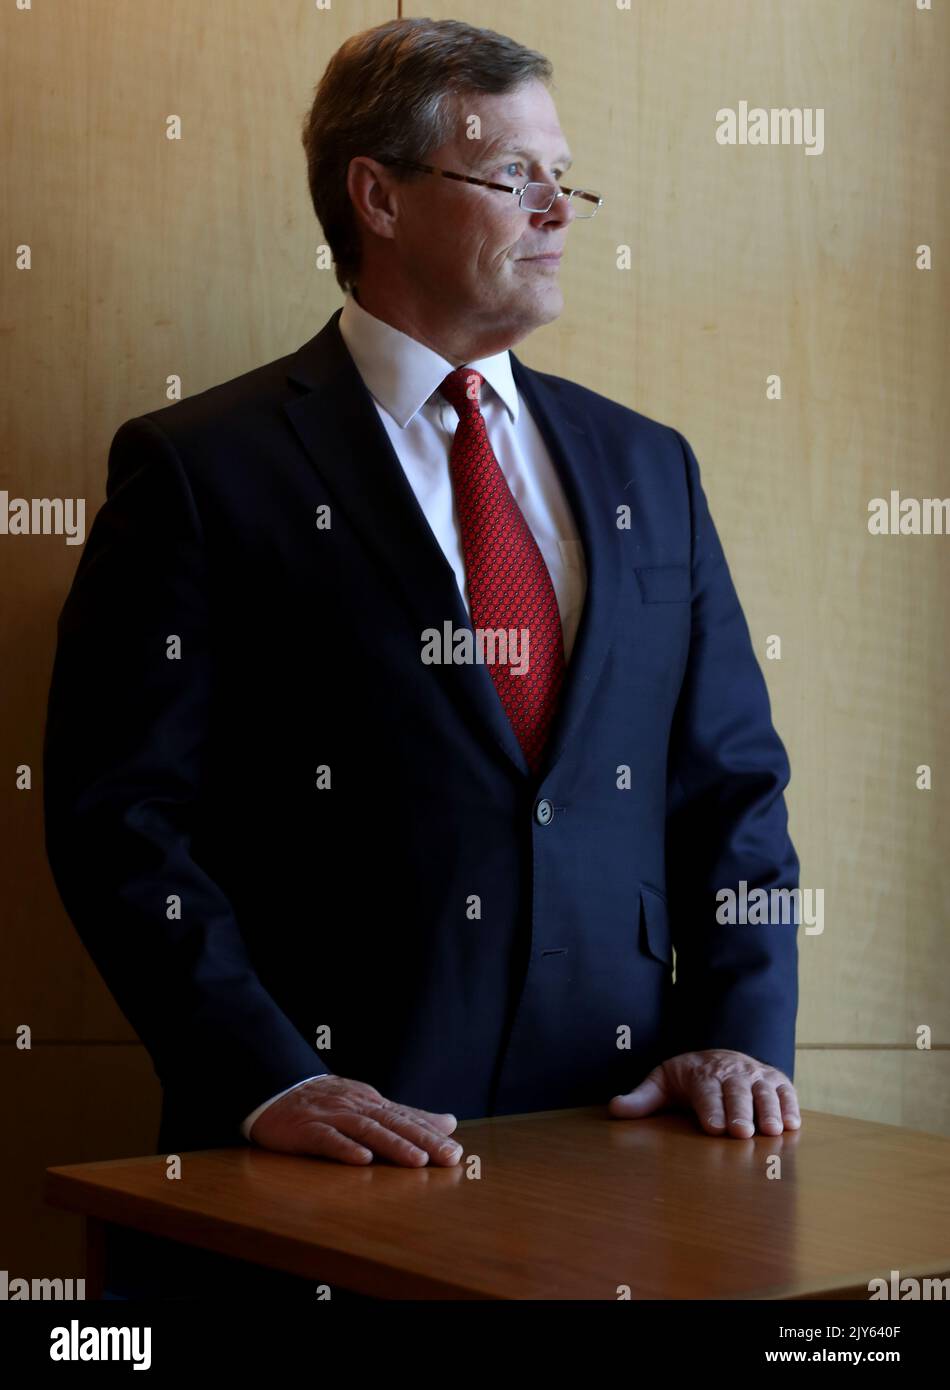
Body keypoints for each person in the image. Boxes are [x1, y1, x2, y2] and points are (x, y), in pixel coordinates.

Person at [44, 16, 802, 1197]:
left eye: (563, 177)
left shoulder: (649, 466)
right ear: (378, 198)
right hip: (324, 1147)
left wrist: (739, 1031)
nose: (556, 208)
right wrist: (266, 1077)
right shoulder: (202, 469)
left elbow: (732, 788)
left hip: (627, 1138)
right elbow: (119, 815)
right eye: (514, 176)